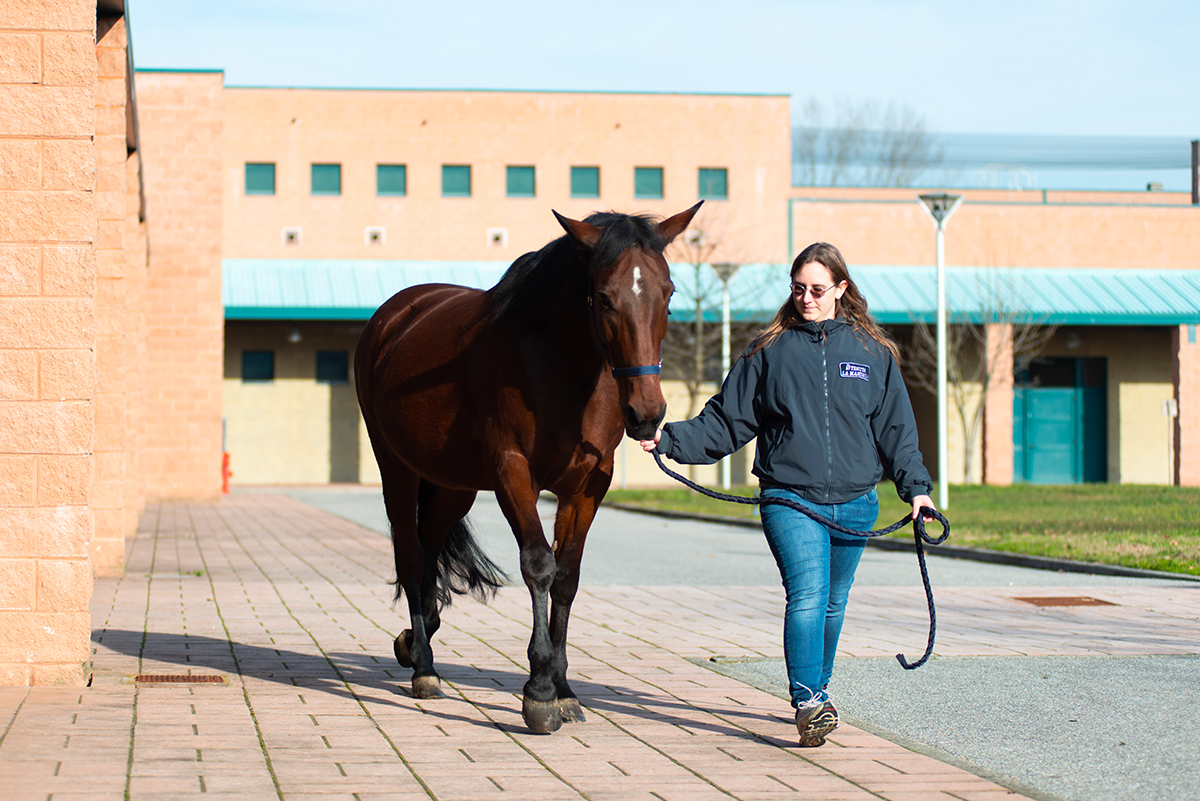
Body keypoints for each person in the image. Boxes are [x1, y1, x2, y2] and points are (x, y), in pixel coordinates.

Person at [640, 242, 935, 748]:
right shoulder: (767, 351)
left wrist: (918, 493)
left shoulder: (872, 353)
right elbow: (727, 420)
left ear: (841, 289)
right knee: (808, 595)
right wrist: (670, 439)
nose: (807, 298)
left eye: (818, 289)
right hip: (790, 498)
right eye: (798, 288)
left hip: (857, 501)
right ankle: (808, 702)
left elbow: (897, 431)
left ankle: (817, 692)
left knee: (834, 603)